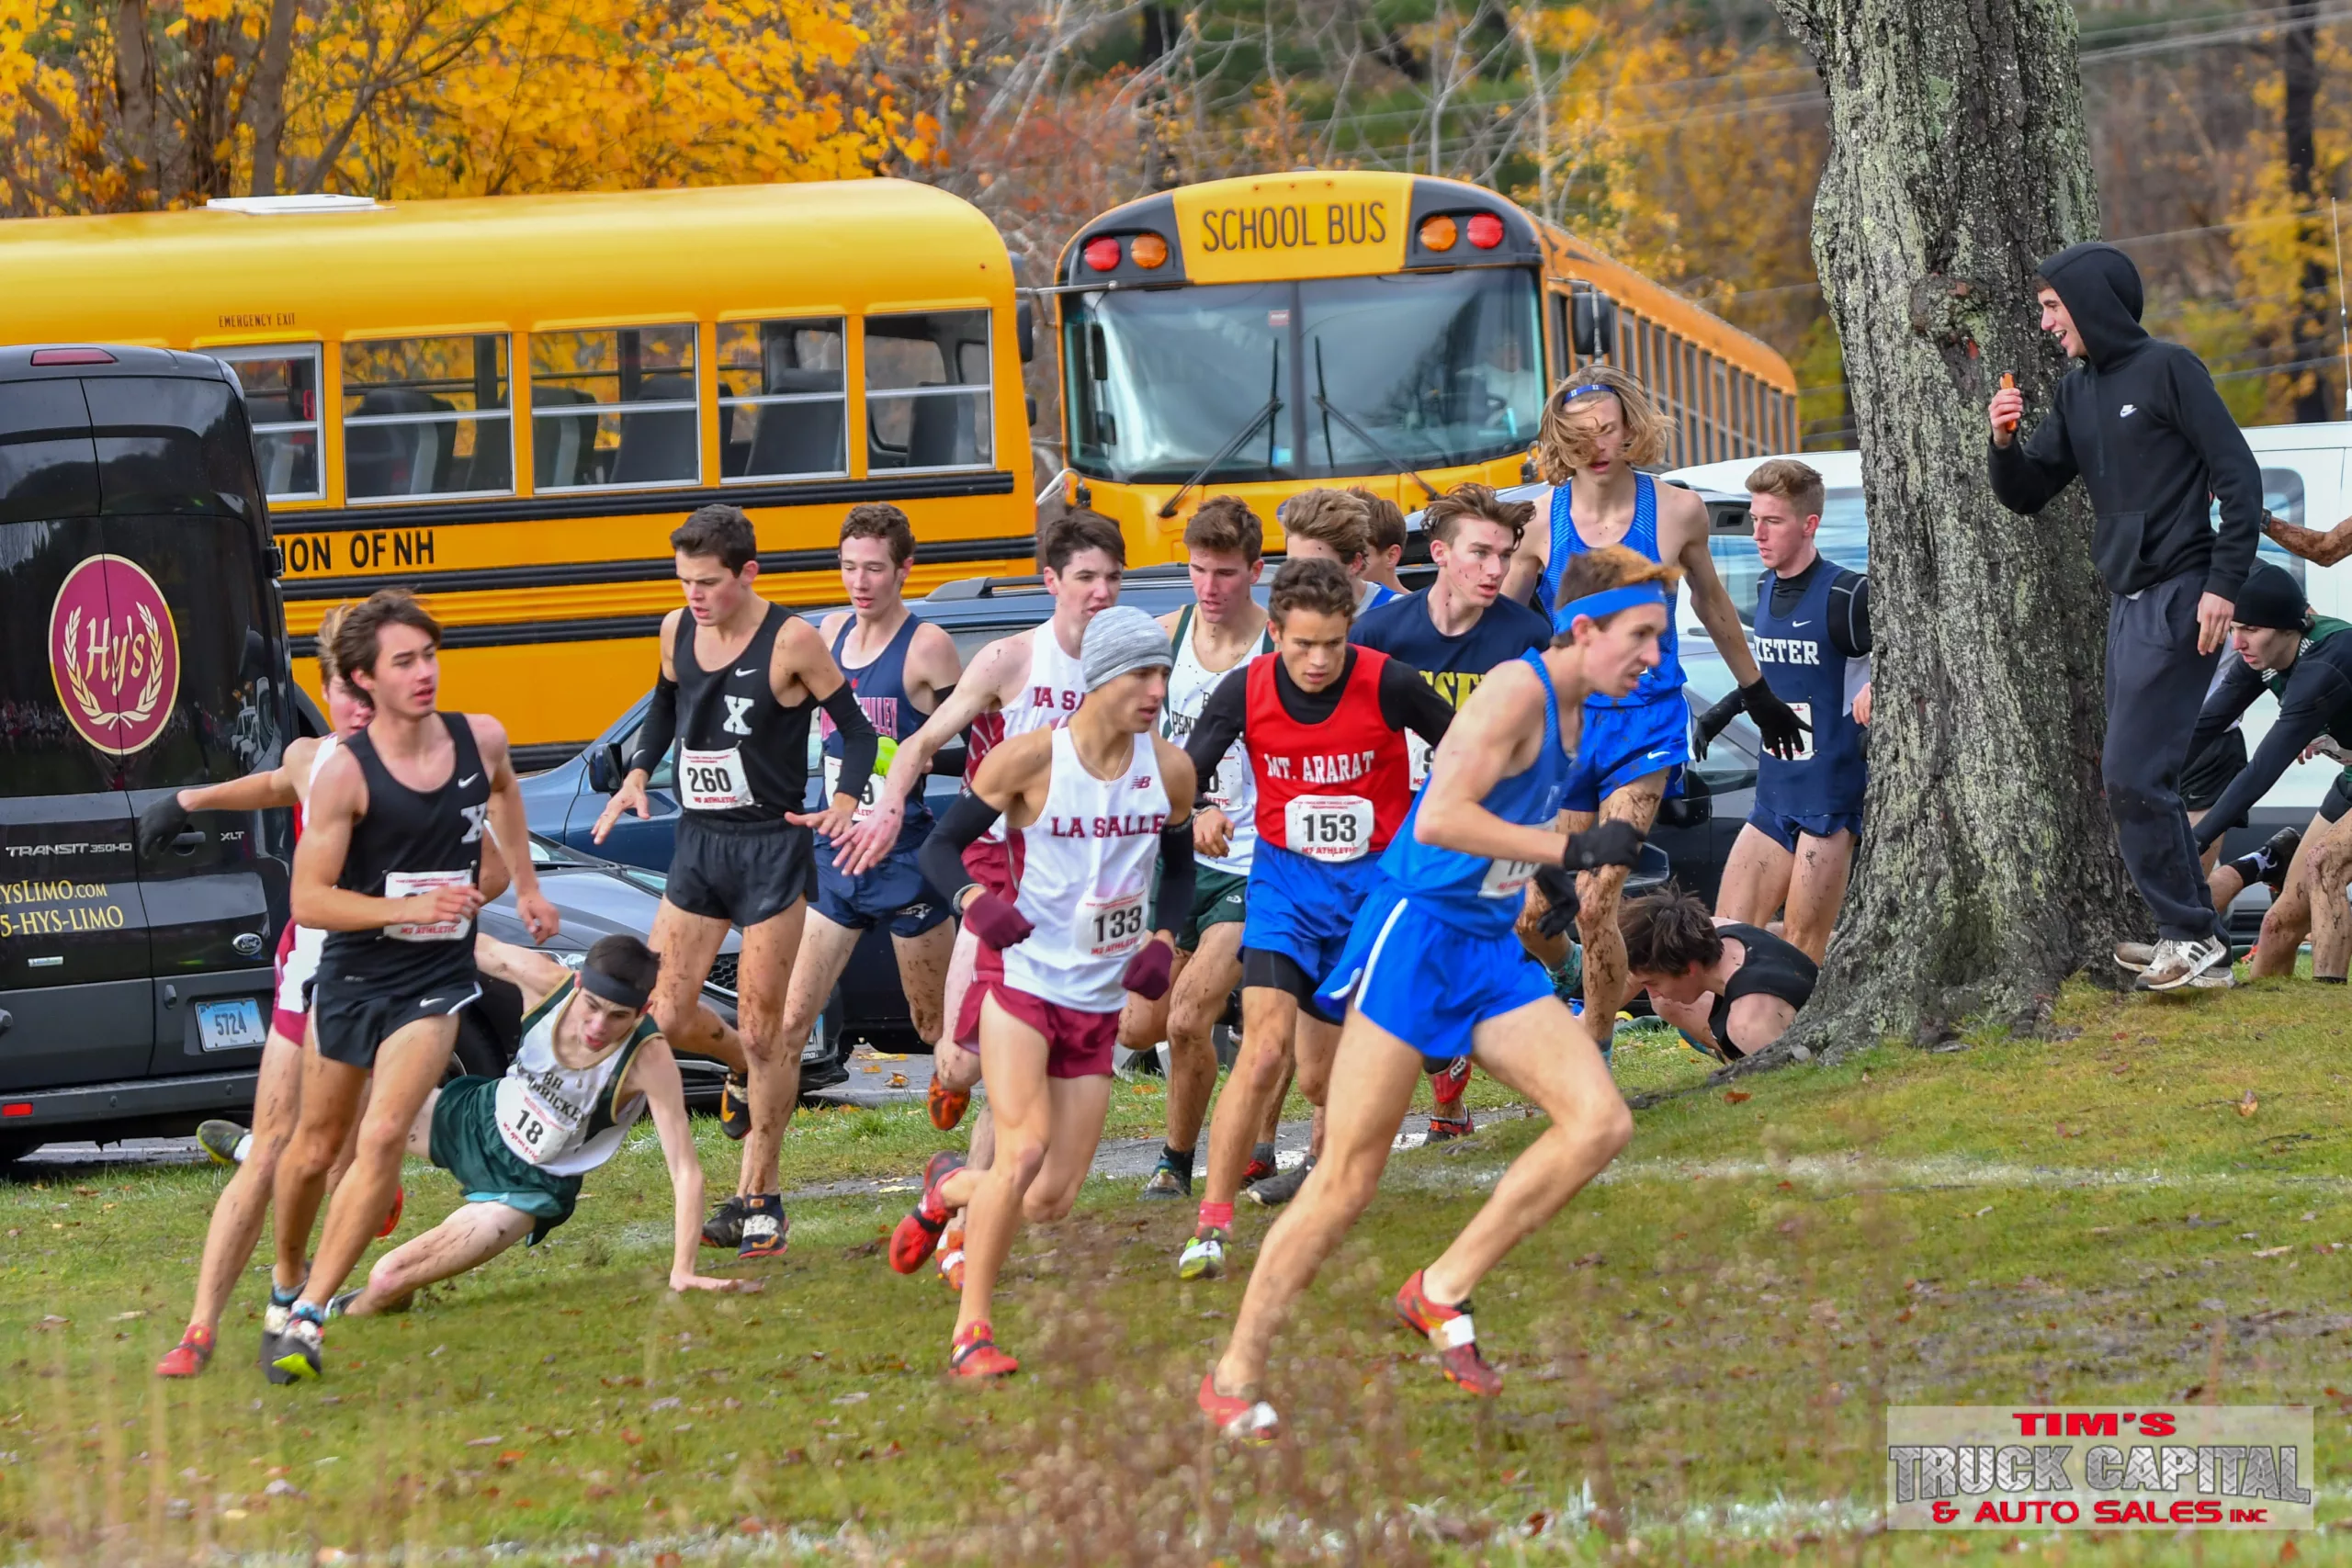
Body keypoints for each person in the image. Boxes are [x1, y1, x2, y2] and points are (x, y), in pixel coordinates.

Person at [1196, 545, 1664, 1441]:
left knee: (1599, 1122)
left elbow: (1541, 812)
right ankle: (1234, 1372)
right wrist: (1568, 853)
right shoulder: (1513, 694)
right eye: (1640, 637)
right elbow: (1445, 816)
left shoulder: (1584, 702)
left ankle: (1438, 1289)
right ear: (1585, 628)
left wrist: (1589, 840)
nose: (1651, 656)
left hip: (1485, 945)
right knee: (1344, 1180)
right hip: (1413, 934)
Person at [887, 606, 1196, 1377]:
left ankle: (946, 1187)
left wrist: (1164, 940)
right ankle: (972, 1332)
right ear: (1098, 677)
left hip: (1096, 1005)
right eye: (1141, 675)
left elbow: (1182, 867)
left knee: (1051, 1197)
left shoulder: (1171, 769)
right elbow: (939, 846)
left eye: (1163, 673)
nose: (1157, 689)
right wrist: (970, 902)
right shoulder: (1027, 762)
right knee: (1021, 1148)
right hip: (1022, 986)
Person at [264, 590, 559, 1382]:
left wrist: (525, 887)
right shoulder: (343, 776)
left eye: (429, 655)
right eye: (405, 661)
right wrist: (411, 905)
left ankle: (308, 1316)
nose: (424, 672)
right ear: (365, 678)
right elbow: (309, 900)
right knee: (314, 1148)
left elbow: (505, 793)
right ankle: (285, 1276)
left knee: (386, 1135)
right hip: (356, 974)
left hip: (433, 978)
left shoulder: (480, 737)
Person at [834, 510, 1126, 1286]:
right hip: (992, 871)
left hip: (1071, 893)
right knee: (963, 1066)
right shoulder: (1010, 660)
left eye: (1111, 579)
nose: (1100, 593)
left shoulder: (1128, 667)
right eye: (1085, 578)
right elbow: (925, 743)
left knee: (1012, 1078)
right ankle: (951, 1164)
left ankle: (962, 1222)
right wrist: (890, 806)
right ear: (1052, 582)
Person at [149, 610, 443, 1375]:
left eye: (365, 690)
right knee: (272, 1149)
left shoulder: (424, 756)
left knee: (346, 1152)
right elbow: (275, 783)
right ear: (327, 690)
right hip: (310, 968)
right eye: (341, 692)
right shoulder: (314, 756)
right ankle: (201, 1328)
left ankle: (314, 1295)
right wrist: (189, 802)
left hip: (391, 973)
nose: (357, 706)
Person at [594, 504, 876, 1260]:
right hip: (699, 844)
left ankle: (760, 1198)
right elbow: (664, 705)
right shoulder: (674, 628)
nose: (694, 595)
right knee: (665, 1011)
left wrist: (845, 798)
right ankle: (739, 1072)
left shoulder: (792, 639)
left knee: (765, 1027)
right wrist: (638, 772)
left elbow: (856, 729)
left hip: (771, 848)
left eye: (709, 583)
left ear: (747, 573)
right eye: (684, 580)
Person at [1503, 367, 1807, 1061]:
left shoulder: (1675, 510)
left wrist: (1755, 691)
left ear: (1632, 424)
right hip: (1569, 729)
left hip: (1646, 725)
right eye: (1580, 435)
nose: (1597, 445)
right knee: (1533, 913)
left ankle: (1595, 1048)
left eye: (1609, 428)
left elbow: (1712, 604)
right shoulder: (1540, 522)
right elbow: (1497, 623)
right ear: (1560, 439)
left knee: (1595, 897)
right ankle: (1574, 978)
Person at [1987, 241, 2264, 992]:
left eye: (2052, 308)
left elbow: (2239, 476)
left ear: (2091, 302)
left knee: (2132, 771)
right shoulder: (2076, 393)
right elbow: (2029, 490)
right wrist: (2005, 443)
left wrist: (2223, 585)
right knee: (2146, 776)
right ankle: (2197, 940)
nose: (2047, 324)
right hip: (2127, 601)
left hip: (2184, 594)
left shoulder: (2171, 368)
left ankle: (2189, 937)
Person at [1172, 558, 1455, 1276]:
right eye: (1303, 644)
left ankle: (1428, 1048)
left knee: (1321, 1084)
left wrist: (1435, 838)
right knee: (1264, 1051)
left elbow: (1469, 753)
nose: (1320, 659)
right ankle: (1211, 1225)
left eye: (1333, 642)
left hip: (1372, 896)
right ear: (1275, 633)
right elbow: (1187, 770)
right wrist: (1200, 809)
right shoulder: (1245, 687)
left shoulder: (1389, 680)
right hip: (1285, 894)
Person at [321, 933, 753, 1315]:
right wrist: (383, 925)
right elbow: (467, 943)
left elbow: (684, 1170)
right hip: (478, 1118)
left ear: (645, 1011)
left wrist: (683, 1269)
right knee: (343, 1088)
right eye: (592, 1007)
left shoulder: (649, 1059)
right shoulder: (544, 981)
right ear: (578, 983)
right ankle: (380, 1172)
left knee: (386, 1279)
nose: (599, 1027)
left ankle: (350, 1311)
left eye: (619, 1017)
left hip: (528, 1187)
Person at [714, 502, 959, 1170]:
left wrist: (926, 752)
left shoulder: (928, 645)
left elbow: (972, 738)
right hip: (835, 857)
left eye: (875, 568)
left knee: (933, 1023)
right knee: (790, 1021)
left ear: (904, 569)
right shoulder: (827, 631)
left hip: (905, 855)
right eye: (849, 567)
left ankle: (954, 1081)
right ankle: (756, 1180)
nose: (860, 581)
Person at [1352, 481, 1554, 1140]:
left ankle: (1557, 983)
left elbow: (1540, 753)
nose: (1495, 570)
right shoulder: (1381, 631)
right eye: (1479, 553)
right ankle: (1436, 1082)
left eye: (1505, 555)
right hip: (1394, 824)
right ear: (1438, 553)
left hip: (1482, 824)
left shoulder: (1525, 633)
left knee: (1485, 946)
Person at [1121, 497, 1274, 1201]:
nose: (1209, 589)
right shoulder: (1167, 634)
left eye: (1226, 574)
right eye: (1197, 570)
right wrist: (1192, 800)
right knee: (1138, 1024)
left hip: (1255, 865)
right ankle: (1254, 1025)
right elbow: (1136, 731)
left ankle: (1175, 1163)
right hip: (1179, 861)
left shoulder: (1280, 646)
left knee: (1185, 1019)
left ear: (1256, 571)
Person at [1694, 458, 1872, 963]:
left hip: (1830, 802)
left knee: (1801, 947)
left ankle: (1794, 1033)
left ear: (1808, 524)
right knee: (1726, 935)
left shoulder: (1847, 595)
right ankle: (1732, 1038)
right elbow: (1772, 675)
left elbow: (1915, 650)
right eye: (1755, 520)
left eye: (1772, 521)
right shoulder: (1764, 588)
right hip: (1773, 794)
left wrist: (1880, 684)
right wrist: (1722, 712)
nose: (1758, 534)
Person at [2162, 563, 2352, 983]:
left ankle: (2329, 1003)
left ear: (2287, 628)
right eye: (2234, 628)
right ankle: (2268, 1015)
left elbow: (2263, 768)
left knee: (2324, 864)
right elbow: (2205, 726)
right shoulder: (2262, 656)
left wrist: (2197, 837)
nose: (2237, 642)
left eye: (2248, 629)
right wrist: (2139, 776)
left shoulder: (2325, 665)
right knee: (2278, 924)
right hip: (2350, 780)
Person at [1620, 886, 1819, 1062]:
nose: (1651, 993)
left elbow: (1799, 1080)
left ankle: (1733, 1056)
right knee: (1665, 1002)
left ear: (1689, 968)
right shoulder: (1719, 929)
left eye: (1653, 983)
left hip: (1769, 1026)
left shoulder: (1747, 1026)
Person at [1281, 489, 1398, 615]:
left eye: (1316, 569)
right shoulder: (1284, 616)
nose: (1301, 579)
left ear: (1355, 563)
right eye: (1292, 566)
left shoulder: (1397, 613)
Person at [1349, 487, 1409, 598]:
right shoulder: (1319, 611)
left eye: (1356, 557)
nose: (1343, 567)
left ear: (1391, 556)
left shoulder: (1422, 613)